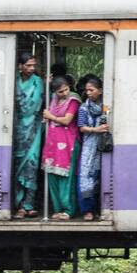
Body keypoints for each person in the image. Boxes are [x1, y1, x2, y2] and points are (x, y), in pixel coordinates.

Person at [43, 76, 82, 219]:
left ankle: (68, 209)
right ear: (54, 92)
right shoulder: (53, 101)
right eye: (60, 92)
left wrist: (50, 116)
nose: (65, 93)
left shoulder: (73, 100)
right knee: (53, 175)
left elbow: (67, 120)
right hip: (53, 143)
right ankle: (58, 208)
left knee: (67, 176)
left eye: (66, 89)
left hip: (68, 143)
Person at [13, 53, 45, 218]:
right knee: (16, 167)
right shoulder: (12, 81)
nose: (32, 69)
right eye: (28, 65)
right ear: (20, 66)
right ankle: (17, 204)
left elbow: (37, 106)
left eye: (34, 65)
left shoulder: (38, 82)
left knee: (31, 165)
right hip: (16, 130)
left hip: (33, 129)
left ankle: (28, 204)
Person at [76, 74, 109, 222]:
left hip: (102, 145)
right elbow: (82, 128)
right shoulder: (84, 108)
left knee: (99, 175)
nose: (88, 93)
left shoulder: (106, 106)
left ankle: (98, 208)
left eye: (92, 90)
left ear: (100, 91)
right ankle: (87, 210)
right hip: (89, 146)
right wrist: (96, 130)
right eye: (87, 90)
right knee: (86, 176)